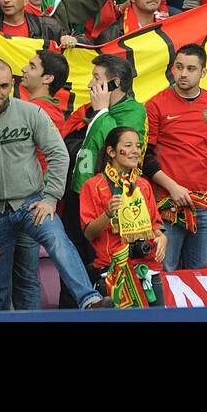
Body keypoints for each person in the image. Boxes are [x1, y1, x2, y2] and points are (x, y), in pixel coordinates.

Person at [0, 59, 106, 310]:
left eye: (4, 85)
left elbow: (59, 153)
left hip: (31, 204)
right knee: (0, 285)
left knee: (58, 244)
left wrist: (50, 198)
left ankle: (90, 300)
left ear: (12, 84)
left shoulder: (30, 112)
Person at [142, 44, 207, 271]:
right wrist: (174, 188)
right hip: (168, 204)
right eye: (179, 67)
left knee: (205, 272)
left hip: (204, 203)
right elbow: (145, 158)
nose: (184, 74)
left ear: (203, 72)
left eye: (191, 68)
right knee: (165, 270)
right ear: (172, 69)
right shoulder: (156, 104)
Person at [79, 126, 166, 307]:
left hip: (147, 271)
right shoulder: (93, 185)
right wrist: (108, 214)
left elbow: (155, 225)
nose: (136, 151)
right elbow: (89, 233)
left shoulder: (143, 185)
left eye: (138, 145)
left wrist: (162, 237)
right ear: (111, 151)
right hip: (113, 271)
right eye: (128, 145)